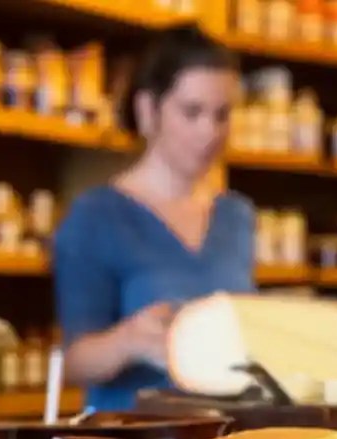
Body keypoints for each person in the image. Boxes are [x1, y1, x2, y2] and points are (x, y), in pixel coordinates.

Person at [53, 26, 253, 411]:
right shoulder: (95, 217)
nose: (209, 131)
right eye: (191, 111)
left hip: (225, 438)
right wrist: (128, 340)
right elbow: (74, 362)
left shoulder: (237, 216)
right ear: (148, 110)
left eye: (222, 114)